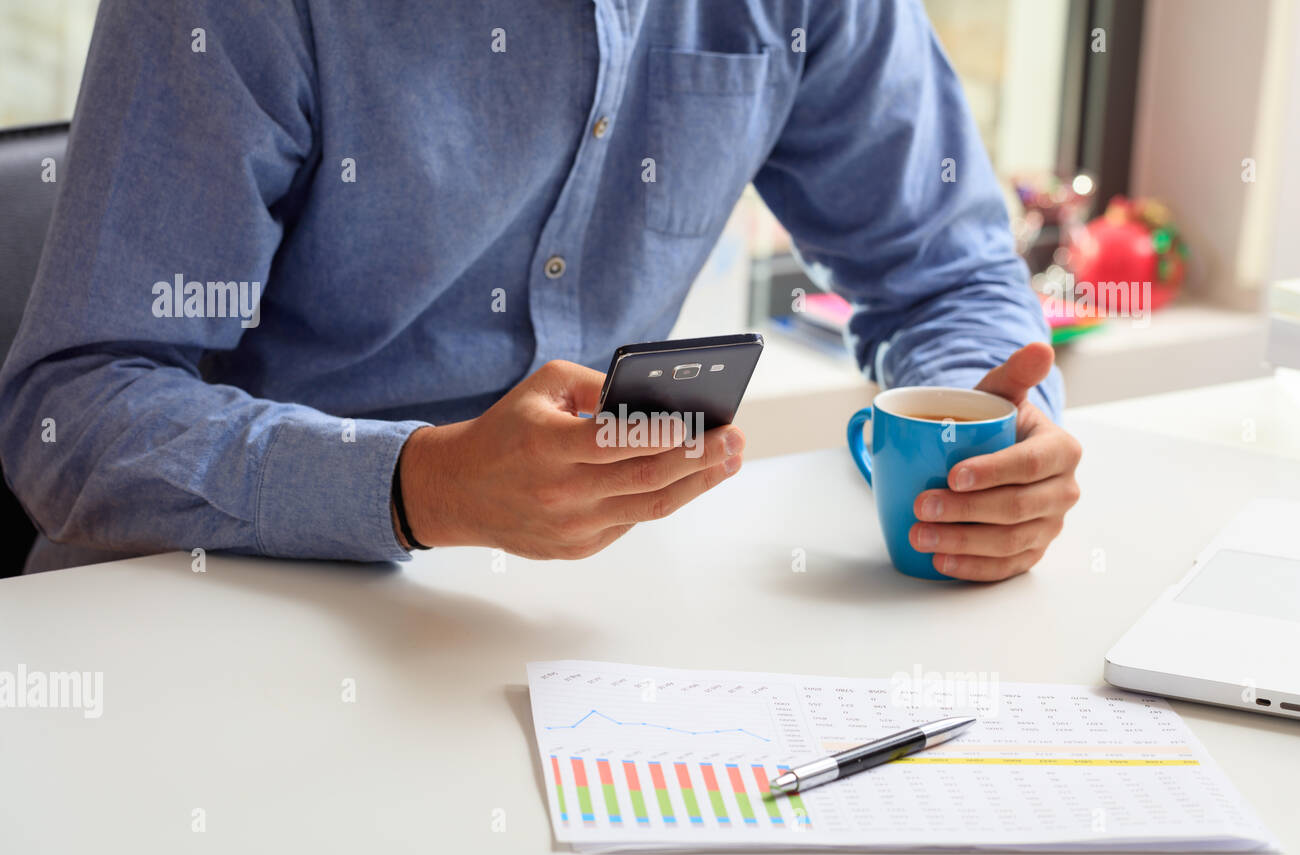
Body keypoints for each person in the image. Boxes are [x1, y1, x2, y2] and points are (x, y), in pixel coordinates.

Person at [0, 0, 1080, 581]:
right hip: (207, 613)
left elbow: (948, 274)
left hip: (558, 639)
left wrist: (978, 447)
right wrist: (415, 486)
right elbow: (75, 409)